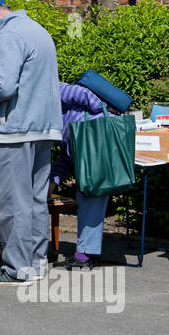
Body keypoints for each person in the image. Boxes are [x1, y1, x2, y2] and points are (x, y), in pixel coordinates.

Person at [0, 0, 63, 284]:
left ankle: (15, 269)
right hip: (44, 129)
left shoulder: (8, 36)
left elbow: (4, 87)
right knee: (34, 200)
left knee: (11, 202)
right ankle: (35, 263)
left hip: (14, 129)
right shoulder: (38, 30)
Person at [51, 81, 113, 271]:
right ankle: (87, 253)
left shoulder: (49, 86)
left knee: (90, 194)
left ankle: (85, 255)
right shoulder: (58, 128)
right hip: (89, 147)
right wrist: (53, 181)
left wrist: (101, 109)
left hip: (98, 136)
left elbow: (80, 92)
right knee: (91, 195)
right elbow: (65, 155)